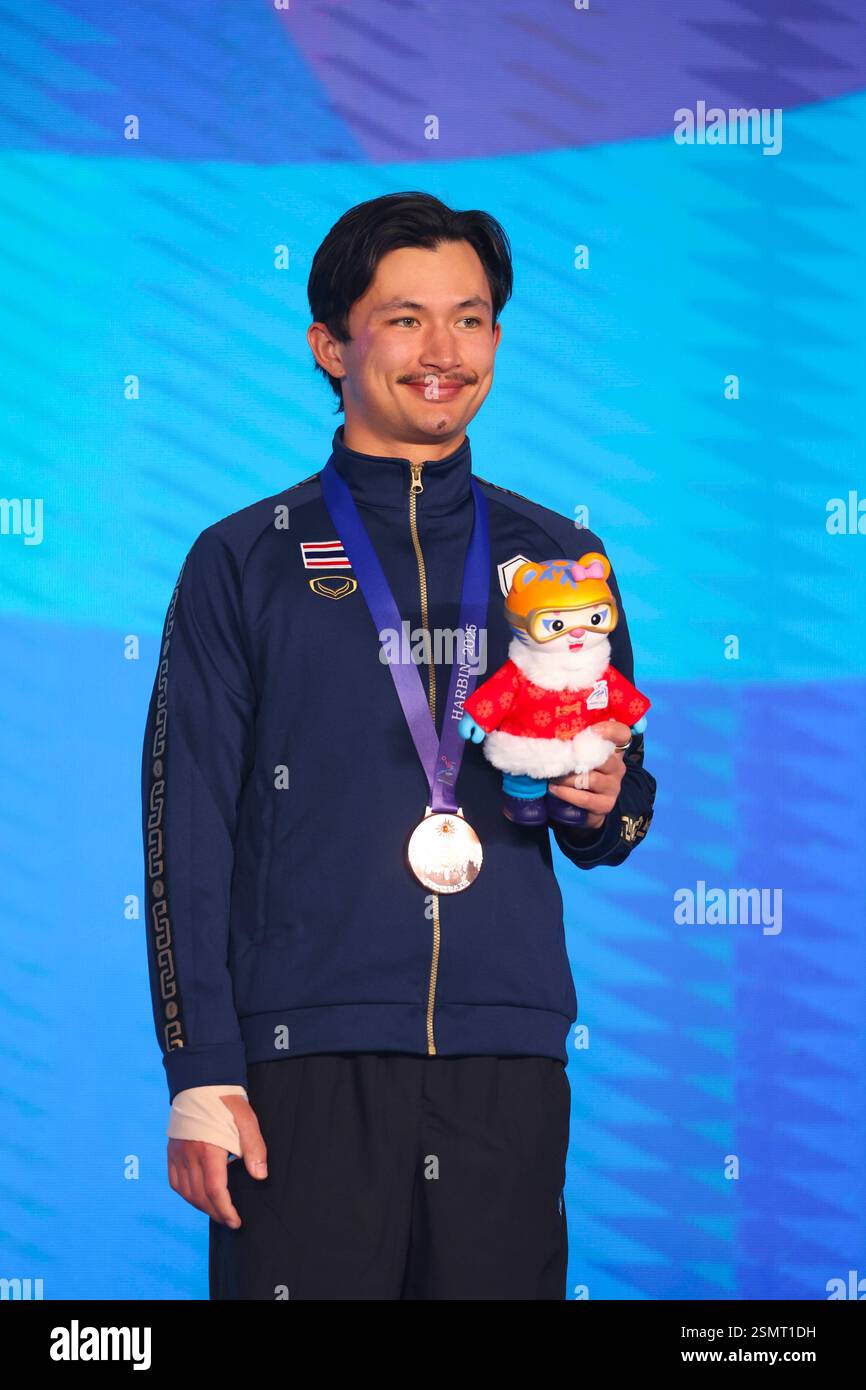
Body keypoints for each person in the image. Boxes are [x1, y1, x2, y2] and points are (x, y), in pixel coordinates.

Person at [140, 191, 656, 1301]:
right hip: (300, 1063)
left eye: (469, 320)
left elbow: (617, 815)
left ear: (497, 342)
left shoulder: (556, 557)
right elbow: (184, 827)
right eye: (406, 318)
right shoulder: (247, 558)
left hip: (505, 1060)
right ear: (332, 344)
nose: (443, 352)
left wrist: (601, 795)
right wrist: (200, 1069)